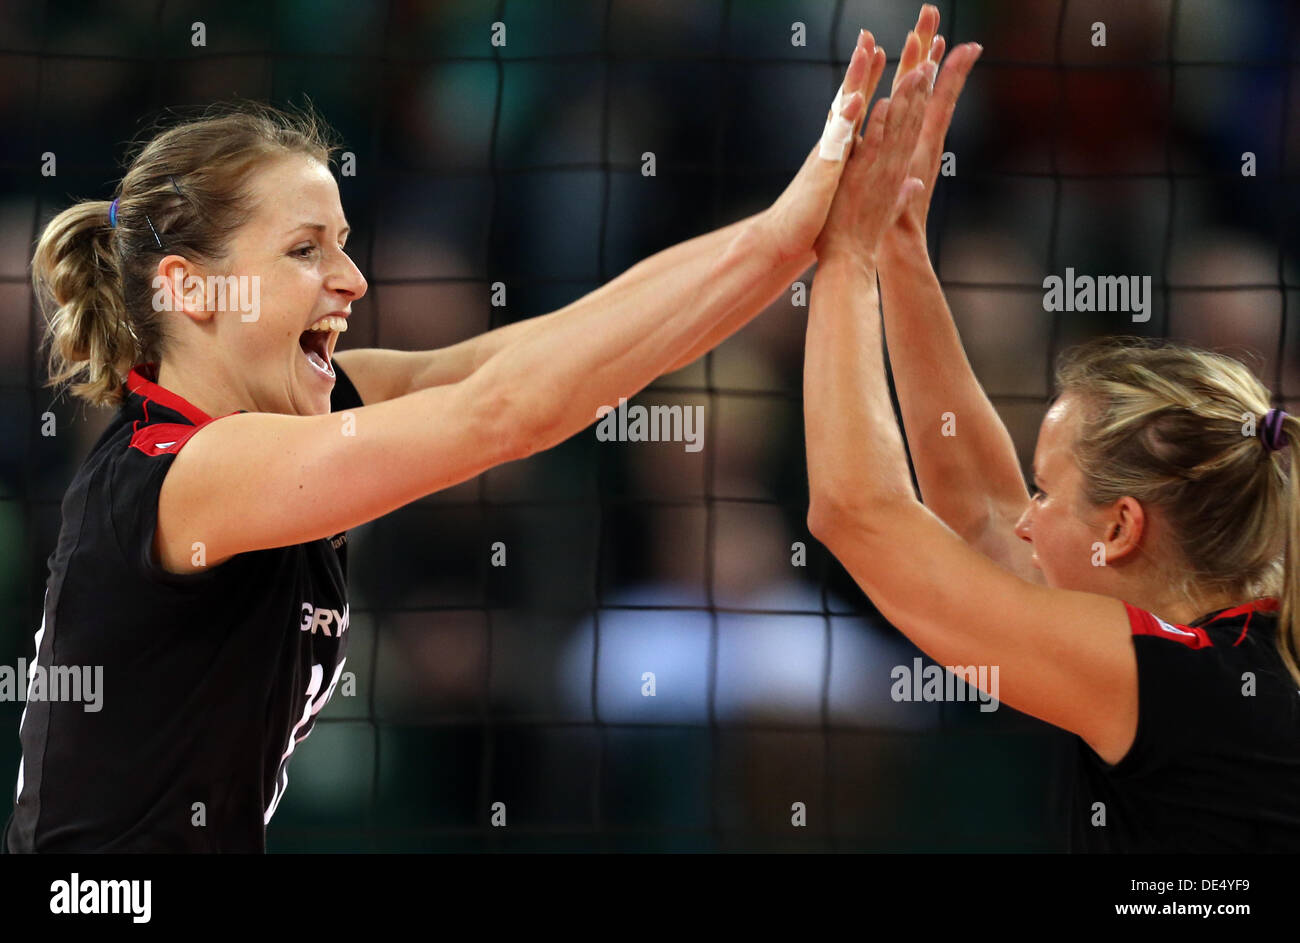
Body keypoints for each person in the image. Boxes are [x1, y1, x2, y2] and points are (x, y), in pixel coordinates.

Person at [3, 27, 894, 852]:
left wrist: (789, 231)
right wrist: (784, 241)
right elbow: (507, 414)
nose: (352, 279)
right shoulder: (186, 471)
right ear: (192, 290)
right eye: (306, 250)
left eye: (344, 243)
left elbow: (543, 347)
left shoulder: (271, 423)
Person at [804, 6, 1300, 851]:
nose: (1027, 514)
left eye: (1047, 490)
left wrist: (842, 258)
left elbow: (856, 514)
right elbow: (982, 522)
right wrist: (898, 250)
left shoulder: (1160, 675)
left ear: (1120, 526)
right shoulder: (1238, 641)